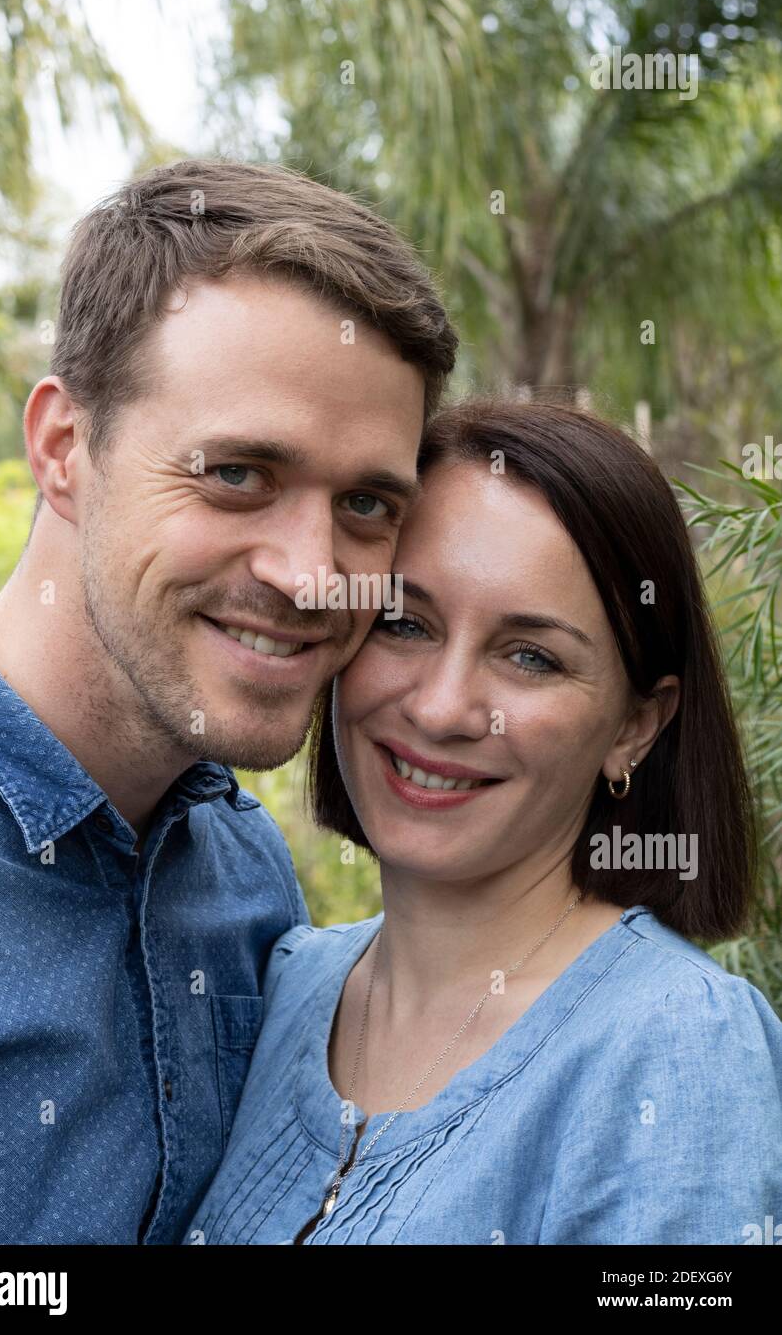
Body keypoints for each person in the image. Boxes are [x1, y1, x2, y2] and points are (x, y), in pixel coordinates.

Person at [0, 159, 457, 1244]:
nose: (313, 575)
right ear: (66, 448)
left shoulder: (243, 876)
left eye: (363, 503)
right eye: (237, 475)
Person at [186, 397, 782, 1245]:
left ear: (634, 727)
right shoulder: (282, 984)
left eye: (530, 656)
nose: (440, 707)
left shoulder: (677, 1046)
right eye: (404, 623)